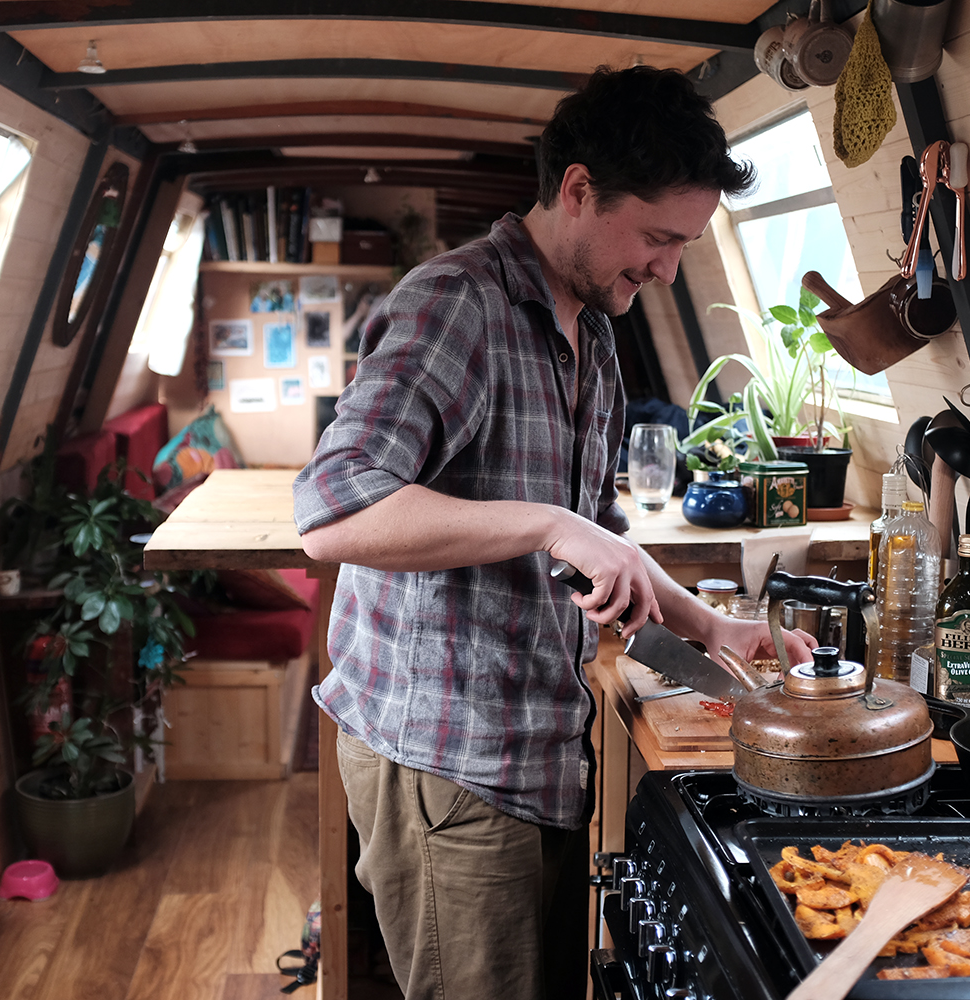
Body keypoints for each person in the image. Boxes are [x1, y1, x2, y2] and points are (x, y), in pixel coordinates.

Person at [292, 65, 817, 1000]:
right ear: (578, 191)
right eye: (657, 237)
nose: (667, 269)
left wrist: (712, 629)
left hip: (541, 745)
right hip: (447, 761)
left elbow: (598, 536)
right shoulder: (457, 304)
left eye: (685, 244)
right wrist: (550, 521)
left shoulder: (594, 329)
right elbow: (333, 511)